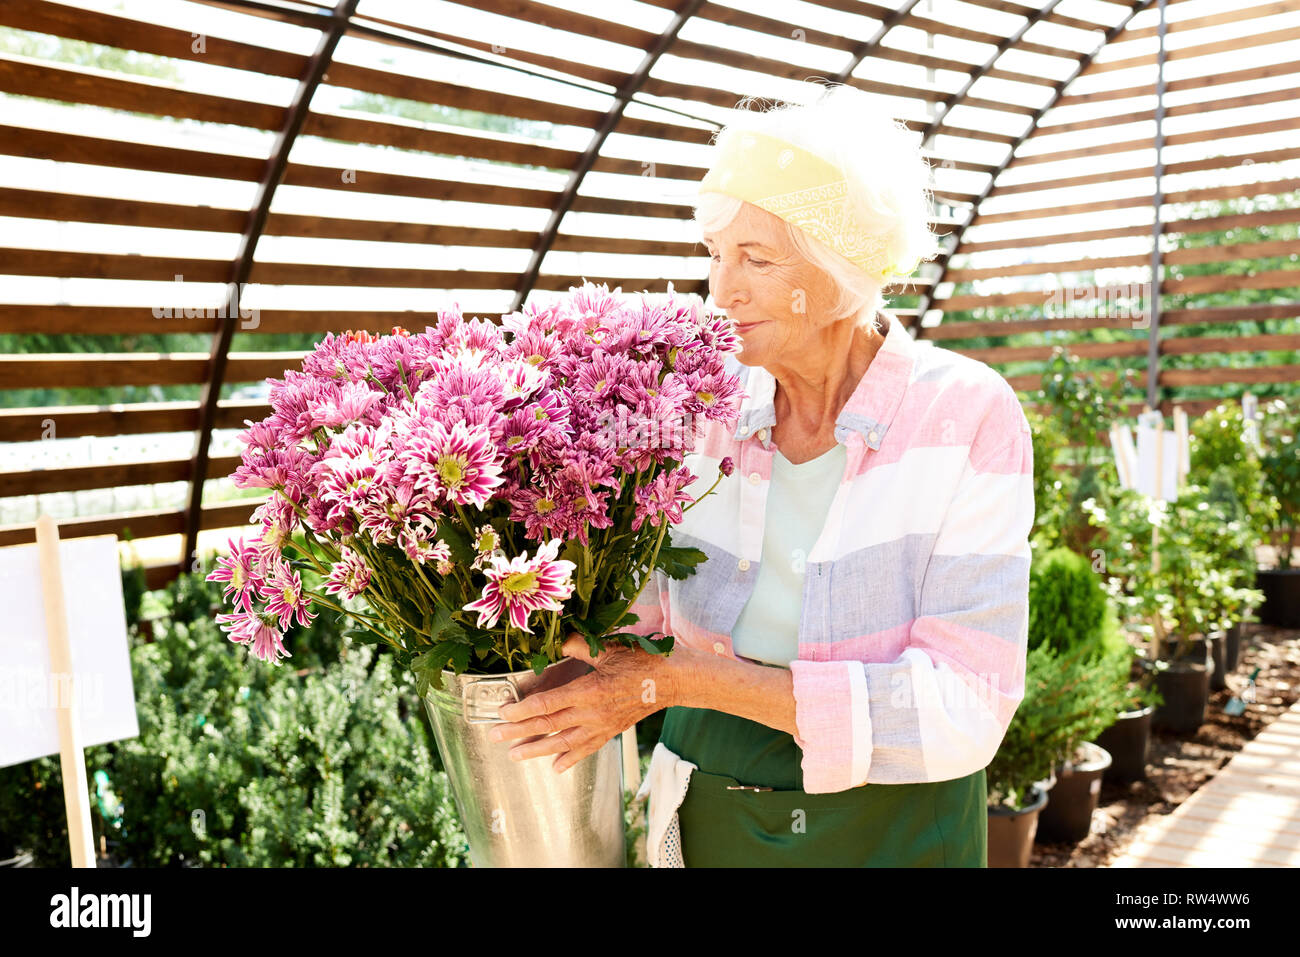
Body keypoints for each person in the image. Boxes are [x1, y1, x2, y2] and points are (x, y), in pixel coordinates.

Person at [488, 83, 1035, 867]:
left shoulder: (966, 416)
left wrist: (680, 680)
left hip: (895, 828)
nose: (722, 289)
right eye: (715, 256)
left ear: (837, 265)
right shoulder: (701, 410)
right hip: (707, 807)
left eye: (756, 258)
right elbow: (637, 614)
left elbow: (964, 707)